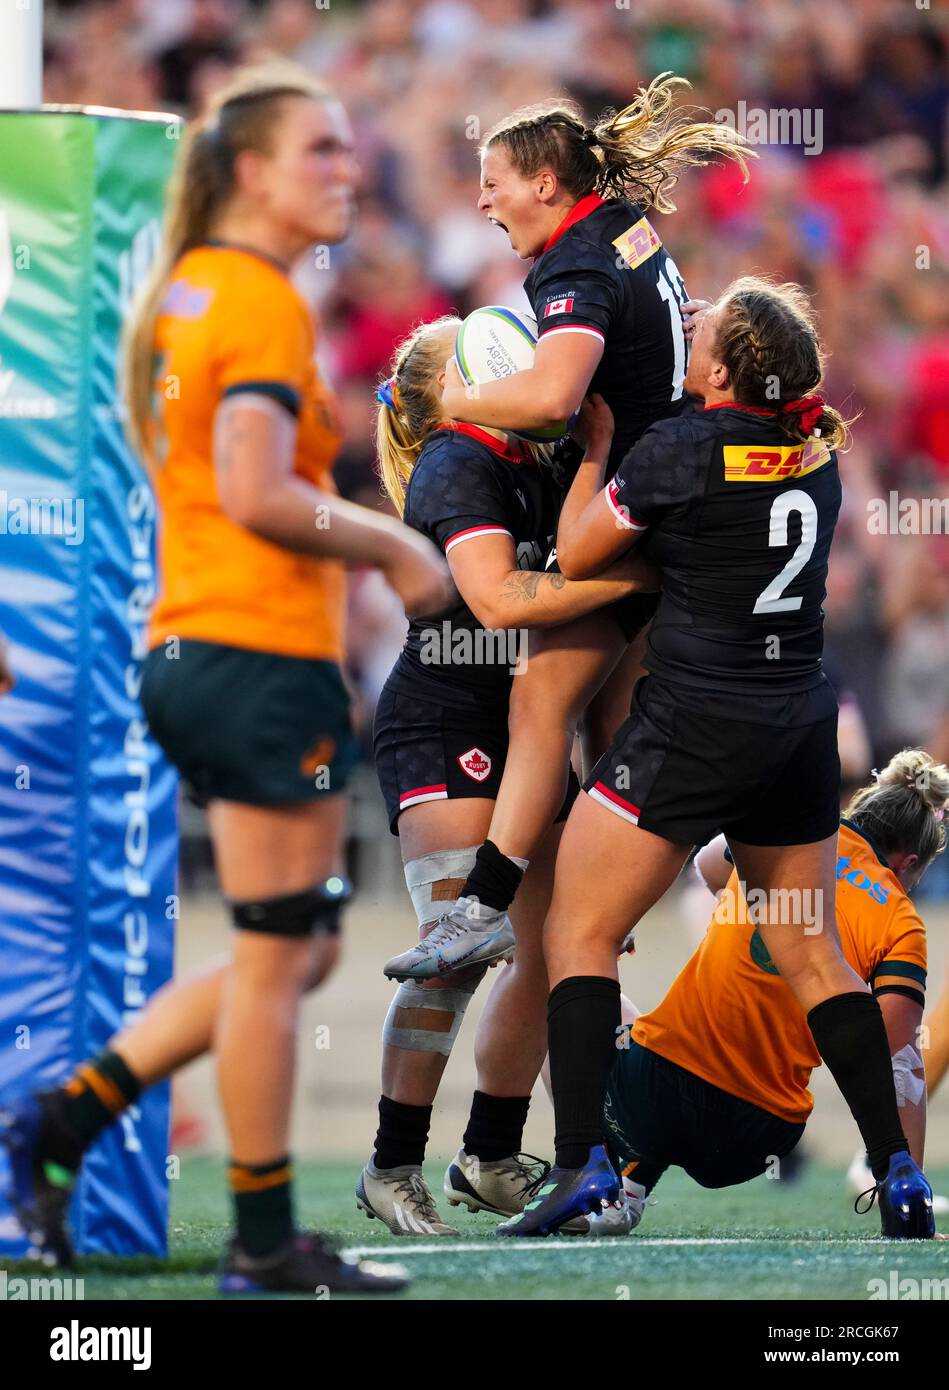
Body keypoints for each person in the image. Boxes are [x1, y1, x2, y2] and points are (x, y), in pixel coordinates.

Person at [0, 64, 451, 1295]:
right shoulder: (251, 298)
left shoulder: (189, 289)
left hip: (209, 651)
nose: (346, 170)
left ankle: (67, 1119)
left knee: (289, 956)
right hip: (252, 656)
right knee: (274, 960)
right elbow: (256, 491)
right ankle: (260, 1240)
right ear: (250, 170)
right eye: (320, 149)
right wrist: (394, 543)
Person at [498, 275, 935, 1239]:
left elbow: (575, 553)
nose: (687, 328)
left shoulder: (680, 449)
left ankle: (580, 1170)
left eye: (703, 329)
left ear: (729, 369)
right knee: (811, 949)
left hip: (698, 721)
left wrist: (604, 450)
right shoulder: (813, 451)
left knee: (576, 932)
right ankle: (899, 1170)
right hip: (796, 727)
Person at [384, 73, 751, 981]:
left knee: (539, 702)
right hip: (668, 490)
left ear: (545, 183)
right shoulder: (626, 224)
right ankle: (668, 860)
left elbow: (551, 396)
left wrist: (460, 396)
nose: (481, 200)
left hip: (638, 511)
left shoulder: (577, 262)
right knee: (614, 721)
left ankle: (483, 904)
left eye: (493, 181)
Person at [357, 316, 657, 1235]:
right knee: (459, 949)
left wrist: (600, 447)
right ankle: (389, 1164)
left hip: (529, 732)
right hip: (445, 719)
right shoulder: (455, 458)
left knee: (555, 946)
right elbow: (497, 600)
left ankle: (489, 1153)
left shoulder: (542, 453)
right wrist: (633, 585)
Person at [583, 751, 945, 1235]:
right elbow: (894, 1055)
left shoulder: (785, 837)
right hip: (759, 1135)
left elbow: (708, 867)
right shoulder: (901, 922)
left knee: (566, 977)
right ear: (910, 862)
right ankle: (904, 1196)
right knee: (905, 1062)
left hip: (653, 1096)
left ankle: (597, 1183)